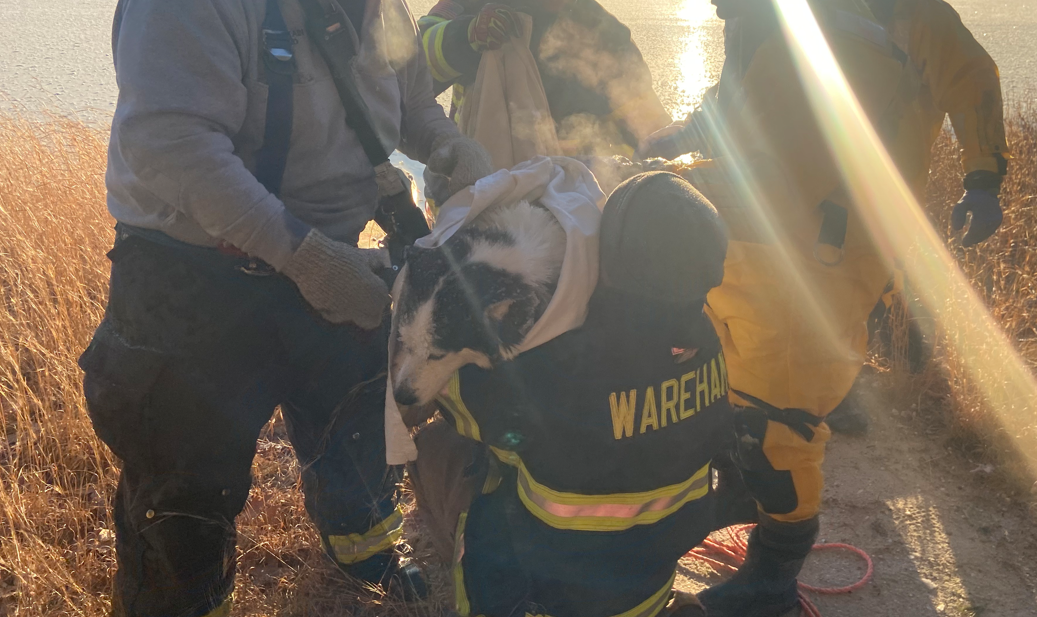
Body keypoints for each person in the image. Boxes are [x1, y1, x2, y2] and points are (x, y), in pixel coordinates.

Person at [78, 1, 492, 616]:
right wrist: (307, 260)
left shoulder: (382, 6)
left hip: (337, 261)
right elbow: (170, 143)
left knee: (356, 430)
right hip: (193, 285)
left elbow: (409, 102)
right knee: (184, 490)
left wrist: (445, 142)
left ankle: (365, 556)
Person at [637, 0, 985, 614]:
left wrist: (984, 176)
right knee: (731, 386)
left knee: (780, 423)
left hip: (821, 256)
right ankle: (744, 494)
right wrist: (685, 138)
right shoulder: (774, 25)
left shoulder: (890, 19)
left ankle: (772, 580)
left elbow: (972, 79)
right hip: (750, 245)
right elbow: (741, 109)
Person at [408, 172, 732, 617]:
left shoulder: (560, 367)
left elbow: (445, 396)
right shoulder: (707, 344)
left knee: (434, 448)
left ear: (604, 262)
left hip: (546, 598)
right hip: (648, 586)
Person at [824, 0, 1011, 434]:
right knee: (814, 287)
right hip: (813, 191)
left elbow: (972, 83)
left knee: (901, 327)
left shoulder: (919, 15)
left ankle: (889, 375)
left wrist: (983, 178)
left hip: (889, 201)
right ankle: (829, 388)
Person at [418, 0, 673, 158]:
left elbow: (649, 130)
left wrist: (624, 167)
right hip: (472, 196)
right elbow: (411, 67)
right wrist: (465, 35)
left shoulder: (605, 32)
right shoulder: (467, 5)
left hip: (578, 205)